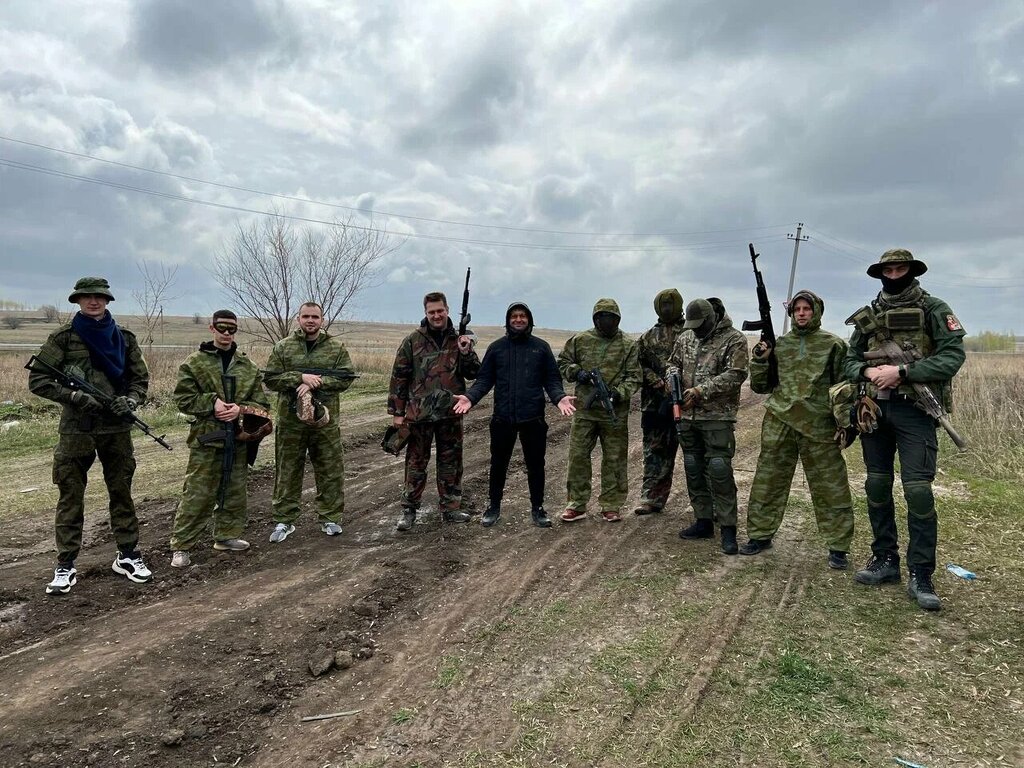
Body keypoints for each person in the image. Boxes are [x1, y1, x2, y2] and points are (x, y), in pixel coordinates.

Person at [843, 248, 966, 612]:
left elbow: (952, 355)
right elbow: (849, 361)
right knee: (876, 485)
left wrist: (903, 373)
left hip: (915, 411)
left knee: (918, 492)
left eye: (900, 268)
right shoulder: (870, 314)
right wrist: (867, 373)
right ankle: (884, 560)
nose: (894, 274)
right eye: (888, 269)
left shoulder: (934, 308)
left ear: (912, 271)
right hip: (875, 412)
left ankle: (921, 573)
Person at [28, 277, 152, 594]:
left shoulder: (124, 338)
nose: (93, 302)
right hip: (76, 430)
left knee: (121, 492)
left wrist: (132, 400)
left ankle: (127, 556)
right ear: (78, 301)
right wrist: (75, 398)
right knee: (70, 497)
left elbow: (139, 380)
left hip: (116, 428)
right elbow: (38, 380)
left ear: (108, 301)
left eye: (99, 297)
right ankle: (66, 565)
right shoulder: (64, 339)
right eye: (86, 297)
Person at [738, 291, 855, 568]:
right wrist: (760, 360)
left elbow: (844, 387)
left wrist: (846, 424)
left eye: (807, 309)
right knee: (769, 480)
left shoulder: (834, 345)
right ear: (791, 314)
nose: (801, 313)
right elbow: (761, 387)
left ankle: (838, 547)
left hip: (819, 425)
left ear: (817, 311)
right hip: (779, 421)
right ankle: (760, 535)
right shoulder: (780, 345)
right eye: (797, 309)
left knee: (830, 486)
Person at [452, 302, 576, 528]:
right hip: (503, 418)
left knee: (536, 465)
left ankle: (538, 509)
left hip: (533, 419)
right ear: (508, 320)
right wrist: (470, 397)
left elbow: (552, 379)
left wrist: (559, 398)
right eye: (514, 316)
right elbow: (484, 380)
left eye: (523, 316)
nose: (518, 320)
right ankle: (493, 507)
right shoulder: (497, 348)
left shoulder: (541, 348)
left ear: (529, 320)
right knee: (498, 464)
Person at [169, 310, 271, 566]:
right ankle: (182, 545)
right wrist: (211, 403)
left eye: (232, 329)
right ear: (211, 328)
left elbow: (261, 402)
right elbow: (182, 398)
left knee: (234, 491)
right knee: (198, 493)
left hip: (236, 439)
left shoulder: (247, 366)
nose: (226, 334)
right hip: (207, 438)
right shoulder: (195, 363)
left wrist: (241, 409)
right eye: (221, 328)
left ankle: (226, 536)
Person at [263, 302, 356, 542]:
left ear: (322, 320)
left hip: (324, 420)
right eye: (306, 316)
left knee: (330, 469)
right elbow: (271, 379)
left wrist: (320, 382)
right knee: (288, 469)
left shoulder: (336, 348)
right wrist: (299, 378)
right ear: (298, 319)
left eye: (315, 316)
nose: (310, 320)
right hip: (290, 421)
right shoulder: (283, 347)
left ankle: (330, 518)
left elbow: (346, 378)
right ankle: (285, 520)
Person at [388, 291, 481, 531]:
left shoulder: (459, 339)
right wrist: (397, 413)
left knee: (451, 461)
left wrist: (466, 351)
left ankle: (450, 508)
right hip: (419, 413)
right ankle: (409, 510)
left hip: (451, 412)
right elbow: (399, 376)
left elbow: (474, 373)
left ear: (447, 310)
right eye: (432, 312)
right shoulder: (413, 340)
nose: (436, 315)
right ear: (425, 313)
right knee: (416, 463)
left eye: (440, 311)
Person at [667, 297, 749, 554]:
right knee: (693, 466)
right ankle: (703, 521)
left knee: (719, 469)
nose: (696, 330)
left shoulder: (734, 339)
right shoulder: (686, 337)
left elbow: (736, 374)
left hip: (717, 417)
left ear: (712, 317)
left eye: (700, 325)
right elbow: (673, 363)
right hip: (688, 418)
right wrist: (672, 379)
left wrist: (701, 391)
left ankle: (728, 529)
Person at [556, 298, 642, 523]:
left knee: (614, 459)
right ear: (595, 318)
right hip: (585, 410)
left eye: (611, 318)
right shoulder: (581, 340)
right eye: (602, 317)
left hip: (614, 413)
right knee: (578, 457)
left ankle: (611, 504)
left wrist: (617, 393)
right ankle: (576, 503)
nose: (606, 321)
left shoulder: (628, 344)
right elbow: (563, 362)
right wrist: (578, 373)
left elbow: (635, 377)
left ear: (618, 319)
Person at [634, 288, 687, 516]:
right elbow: (636, 365)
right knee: (654, 454)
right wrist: (655, 381)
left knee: (698, 455)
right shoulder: (647, 337)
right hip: (655, 406)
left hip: (687, 403)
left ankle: (708, 506)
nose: (667, 309)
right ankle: (651, 498)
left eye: (671, 305)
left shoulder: (690, 332)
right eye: (663, 305)